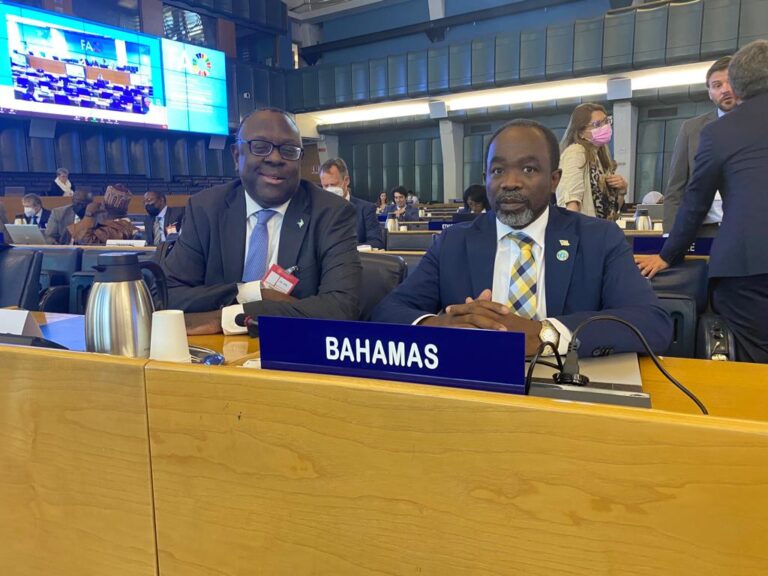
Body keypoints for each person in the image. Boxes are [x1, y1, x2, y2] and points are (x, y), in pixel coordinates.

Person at [372, 119, 671, 357]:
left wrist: (546, 334)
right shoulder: (453, 242)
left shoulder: (599, 238)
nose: (510, 182)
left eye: (528, 169)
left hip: (565, 393)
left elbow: (651, 322)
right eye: (498, 170)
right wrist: (439, 327)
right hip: (474, 390)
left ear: (554, 180)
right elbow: (388, 311)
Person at [161, 107, 362, 335]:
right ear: (237, 156)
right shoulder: (206, 208)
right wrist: (254, 293)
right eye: (260, 146)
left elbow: (341, 309)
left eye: (289, 150)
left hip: (293, 355)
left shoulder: (332, 213)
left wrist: (228, 318)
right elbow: (166, 294)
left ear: (300, 161)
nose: (275, 158)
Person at [636, 41, 768, 363]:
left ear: (737, 86)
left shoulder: (722, 132)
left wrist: (669, 254)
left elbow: (694, 201)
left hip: (747, 269)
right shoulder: (698, 128)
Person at [662, 56, 734, 235]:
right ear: (710, 92)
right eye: (717, 85)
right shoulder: (692, 129)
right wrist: (668, 236)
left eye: (731, 82)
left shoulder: (760, 125)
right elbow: (675, 189)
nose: (725, 90)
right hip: (702, 230)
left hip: (749, 229)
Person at [556, 103, 628, 220]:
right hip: (585, 232)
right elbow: (571, 201)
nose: (605, 127)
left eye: (606, 121)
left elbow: (611, 211)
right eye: (597, 124)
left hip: (600, 230)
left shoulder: (599, 156)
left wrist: (622, 191)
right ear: (580, 132)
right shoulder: (576, 152)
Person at [319, 157, 384, 249]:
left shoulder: (366, 209)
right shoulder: (318, 212)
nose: (329, 189)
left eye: (333, 184)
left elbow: (376, 243)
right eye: (325, 186)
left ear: (346, 181)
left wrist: (346, 249)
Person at [69, 184, 137, 245]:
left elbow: (83, 241)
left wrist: (88, 215)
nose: (101, 206)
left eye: (104, 204)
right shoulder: (112, 221)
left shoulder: (118, 227)